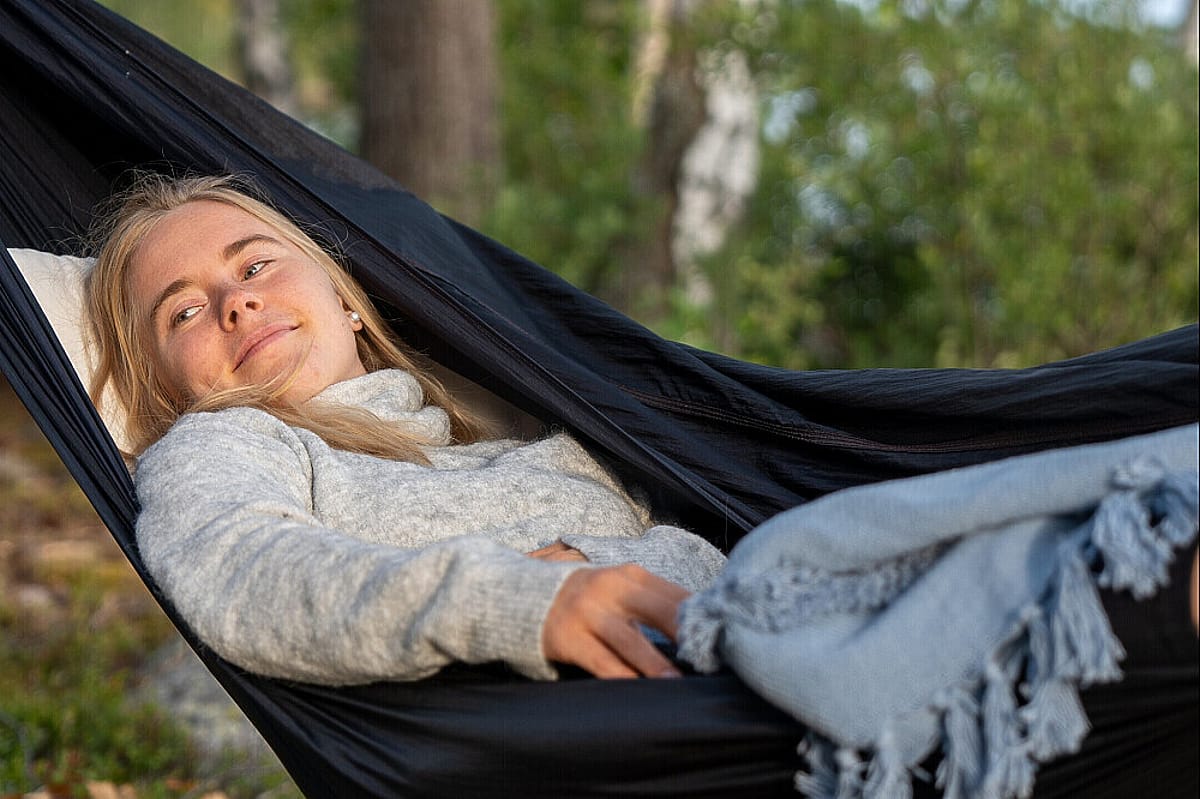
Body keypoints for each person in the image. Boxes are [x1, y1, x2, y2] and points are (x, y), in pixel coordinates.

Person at [85, 172, 727, 686]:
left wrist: (595, 563)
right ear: (163, 383)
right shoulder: (226, 446)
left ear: (345, 301)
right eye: (185, 311)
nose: (237, 303)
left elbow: (709, 558)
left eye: (255, 267)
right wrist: (510, 598)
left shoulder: (538, 442)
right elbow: (243, 573)